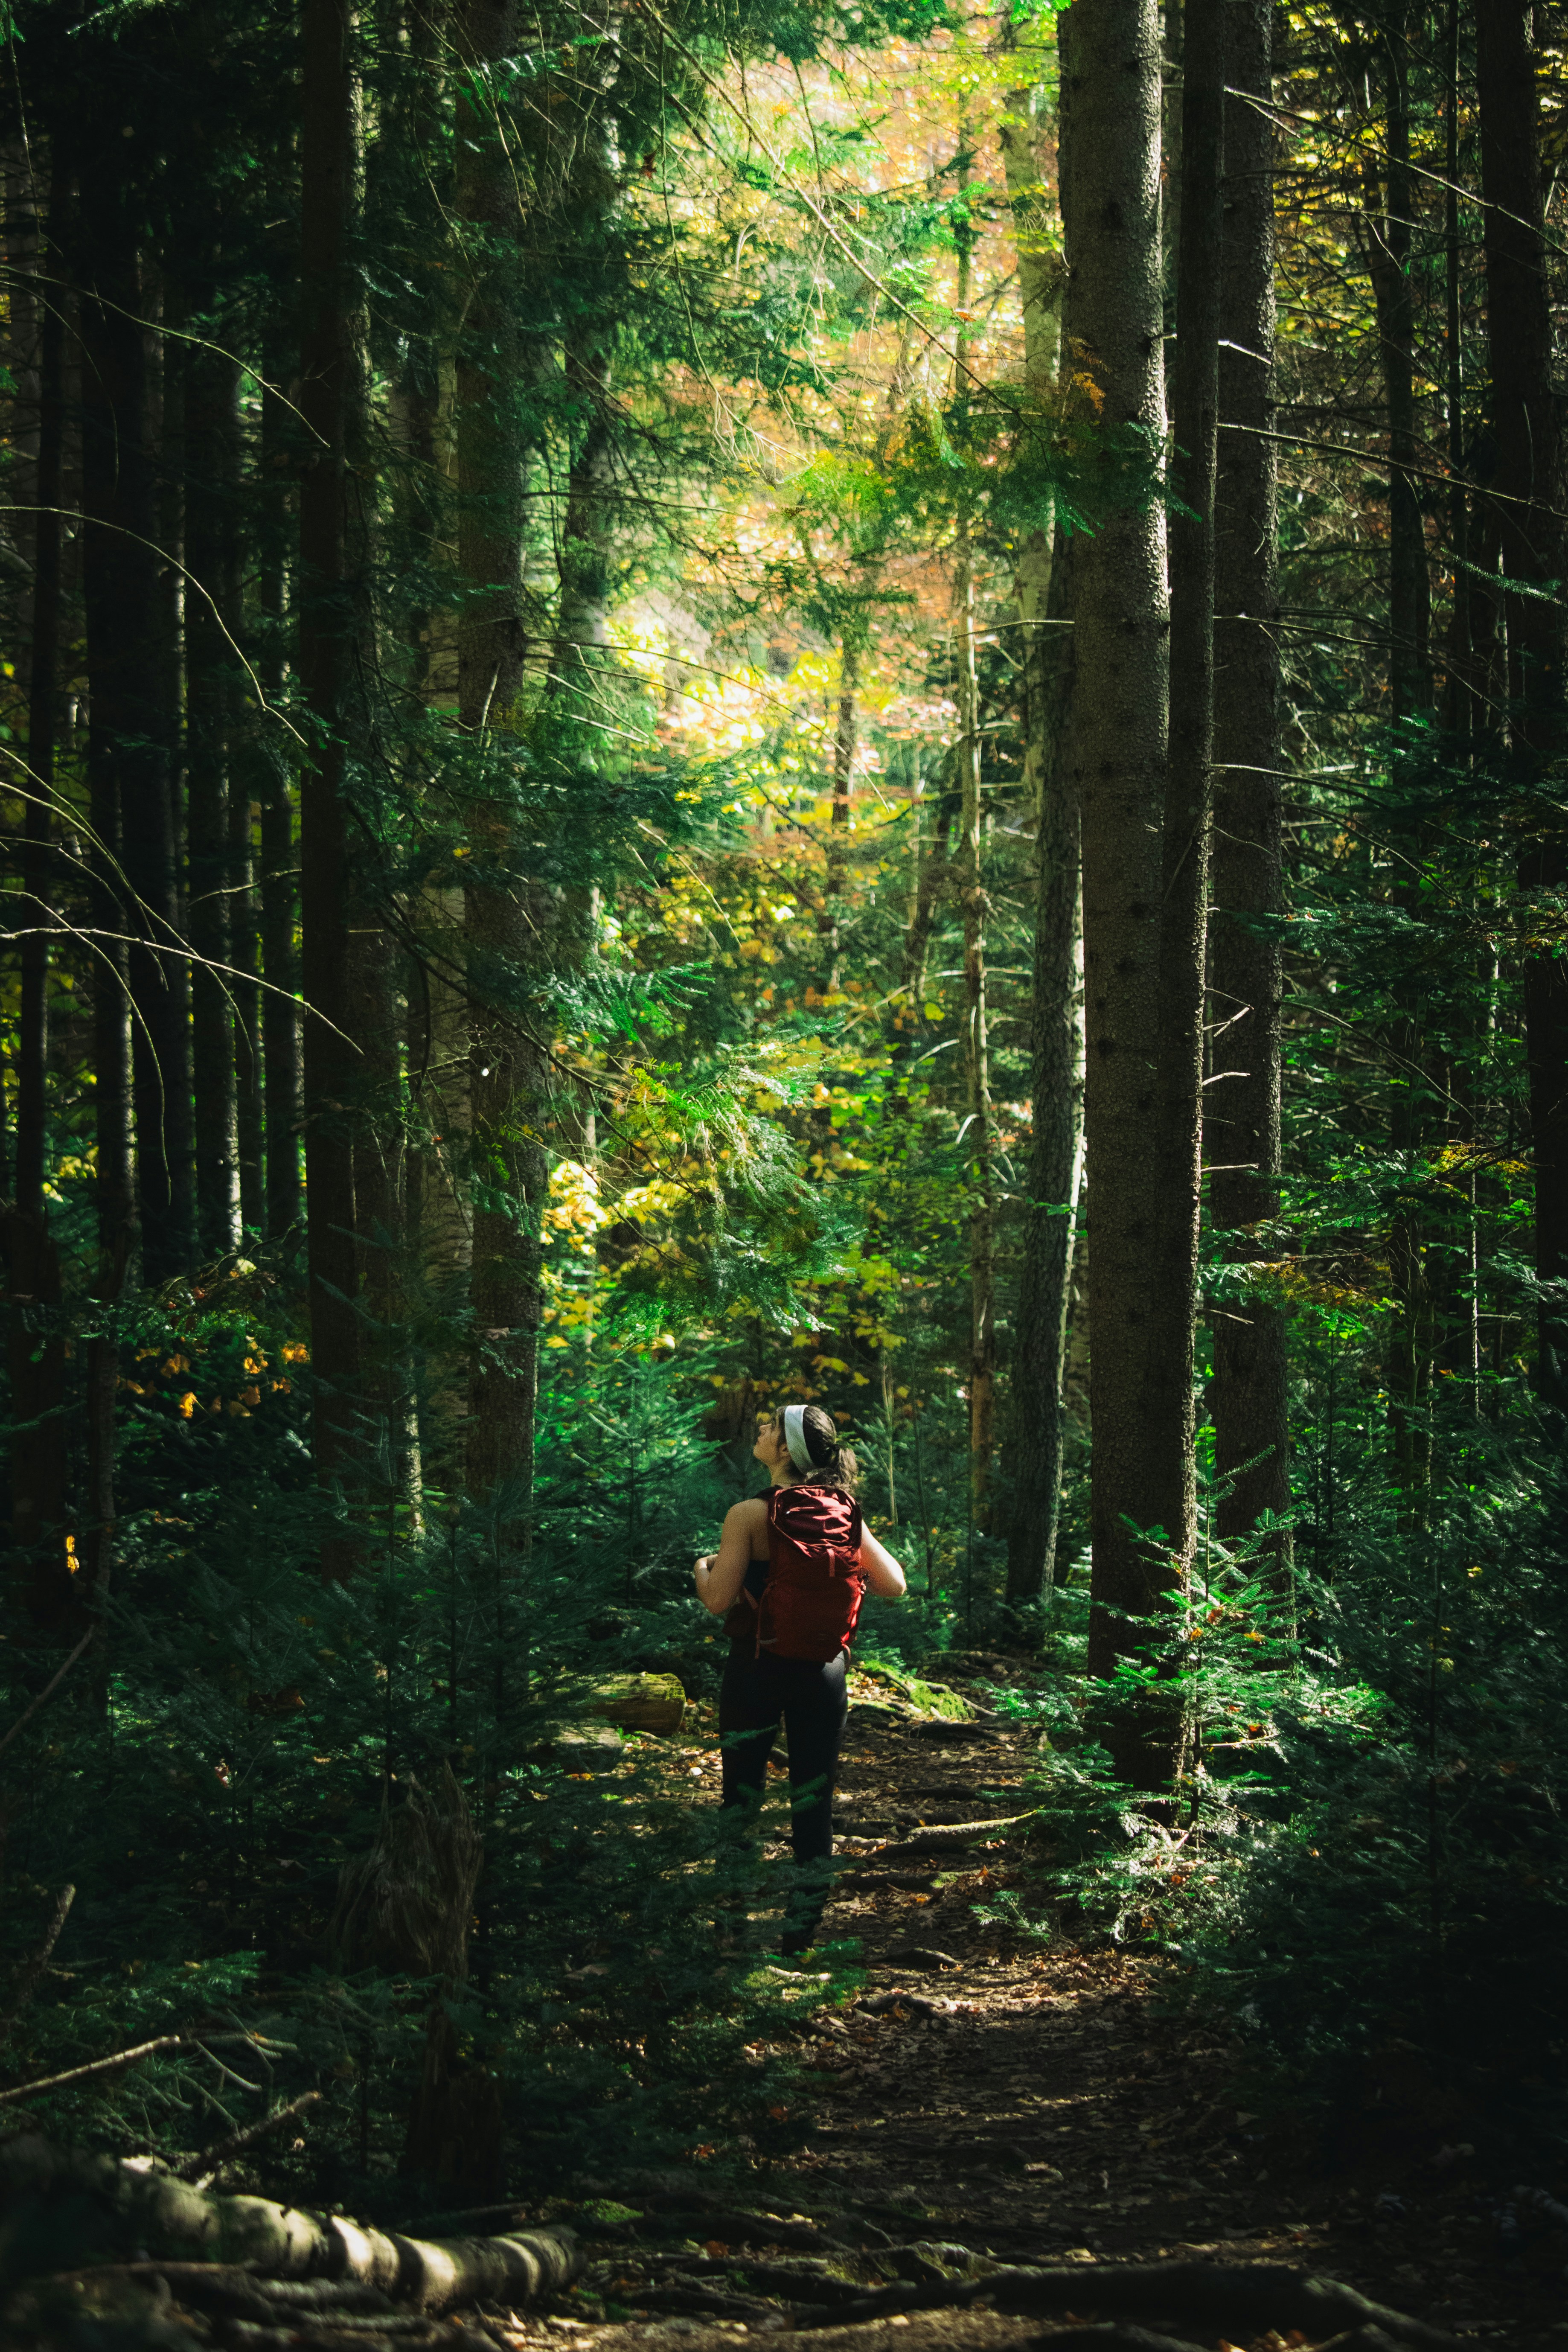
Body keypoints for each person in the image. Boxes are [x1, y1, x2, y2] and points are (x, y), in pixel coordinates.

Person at [694, 1402, 907, 1953]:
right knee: (813, 1802)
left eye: (767, 1427)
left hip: (756, 1667)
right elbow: (896, 1584)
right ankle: (800, 1938)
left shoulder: (748, 1514)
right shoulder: (844, 1509)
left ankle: (733, 1928)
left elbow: (719, 1601)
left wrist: (701, 1571)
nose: (759, 1431)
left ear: (784, 1450)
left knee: (740, 1798)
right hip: (824, 1673)